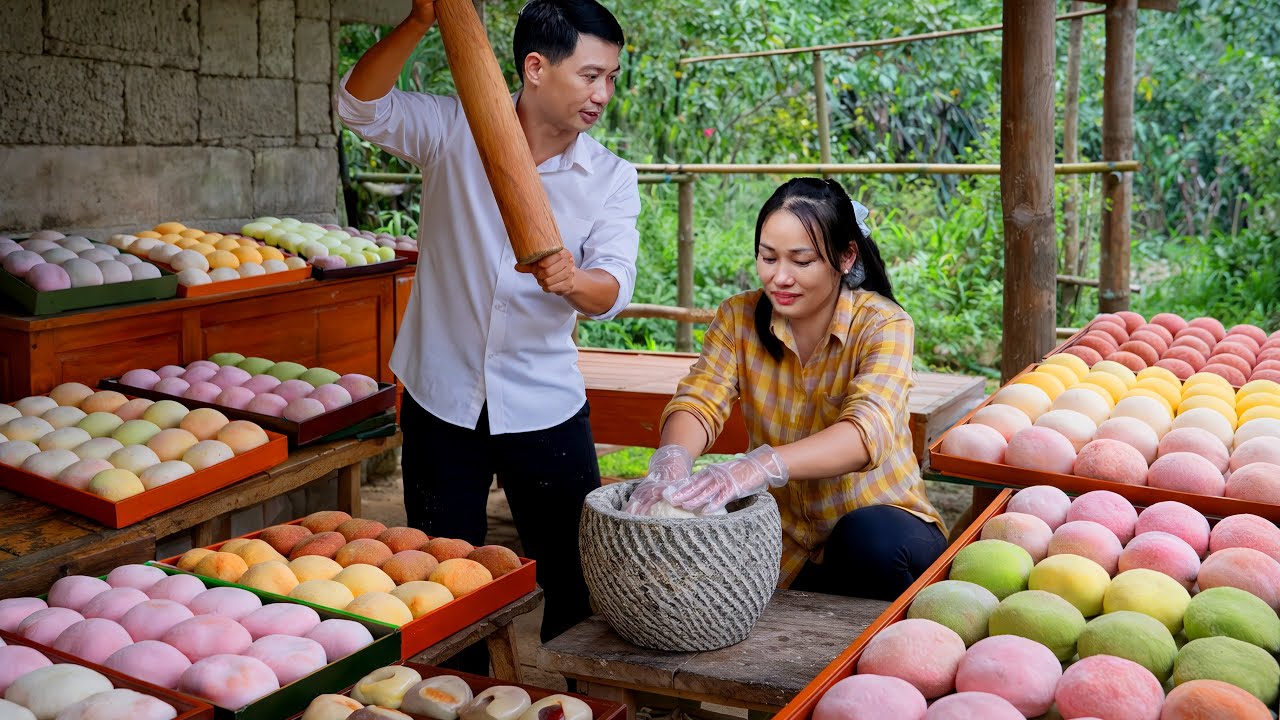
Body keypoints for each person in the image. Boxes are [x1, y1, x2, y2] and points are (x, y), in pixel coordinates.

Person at [335, 0, 639, 643]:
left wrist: (571, 279)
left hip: (544, 403)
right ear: (535, 67)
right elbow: (358, 106)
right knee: (443, 577)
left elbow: (612, 287)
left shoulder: (611, 177)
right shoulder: (454, 129)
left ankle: (577, 704)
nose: (602, 93)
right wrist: (421, 21)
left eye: (611, 77)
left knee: (577, 579)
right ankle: (457, 695)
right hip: (441, 398)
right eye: (590, 75)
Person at [626, 178, 946, 600]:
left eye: (801, 260)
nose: (780, 277)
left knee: (867, 539)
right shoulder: (738, 318)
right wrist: (671, 461)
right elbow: (701, 398)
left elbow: (867, 432)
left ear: (846, 256)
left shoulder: (883, 324)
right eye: (768, 257)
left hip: (886, 530)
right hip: (785, 543)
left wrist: (755, 466)